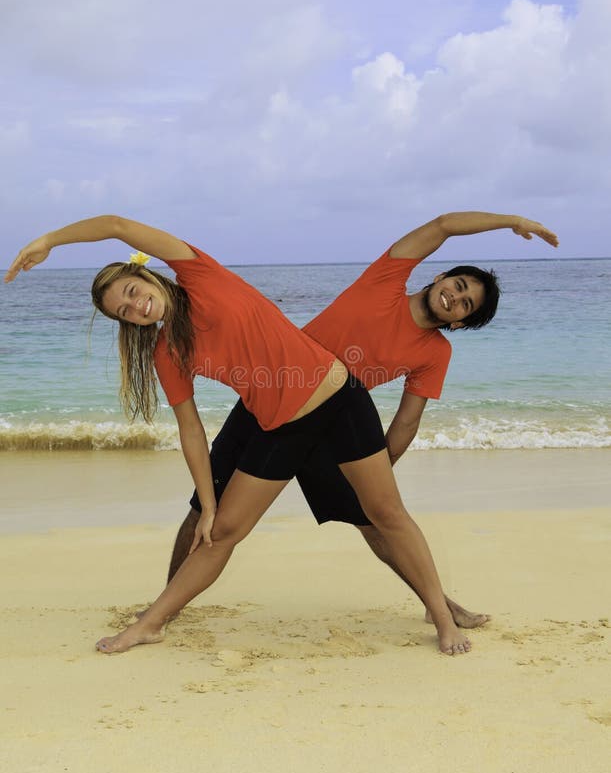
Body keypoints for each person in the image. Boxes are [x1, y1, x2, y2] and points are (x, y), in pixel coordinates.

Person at [6, 215, 484, 657]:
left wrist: (49, 240)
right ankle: (152, 622)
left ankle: (442, 618)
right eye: (124, 312)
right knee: (221, 530)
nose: (135, 306)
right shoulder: (167, 353)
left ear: (148, 276)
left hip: (338, 400)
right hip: (278, 424)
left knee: (385, 514)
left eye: (132, 291)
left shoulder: (201, 275)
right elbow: (191, 430)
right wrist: (209, 505)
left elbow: (116, 225)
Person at [166, 211, 559, 628]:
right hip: (267, 405)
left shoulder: (435, 353)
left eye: (464, 305)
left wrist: (375, 471)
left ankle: (437, 603)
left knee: (377, 522)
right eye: (457, 286)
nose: (453, 298)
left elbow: (407, 422)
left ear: (460, 321)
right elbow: (442, 226)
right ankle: (166, 605)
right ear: (441, 275)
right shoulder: (385, 281)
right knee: (202, 509)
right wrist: (510, 222)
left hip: (335, 425)